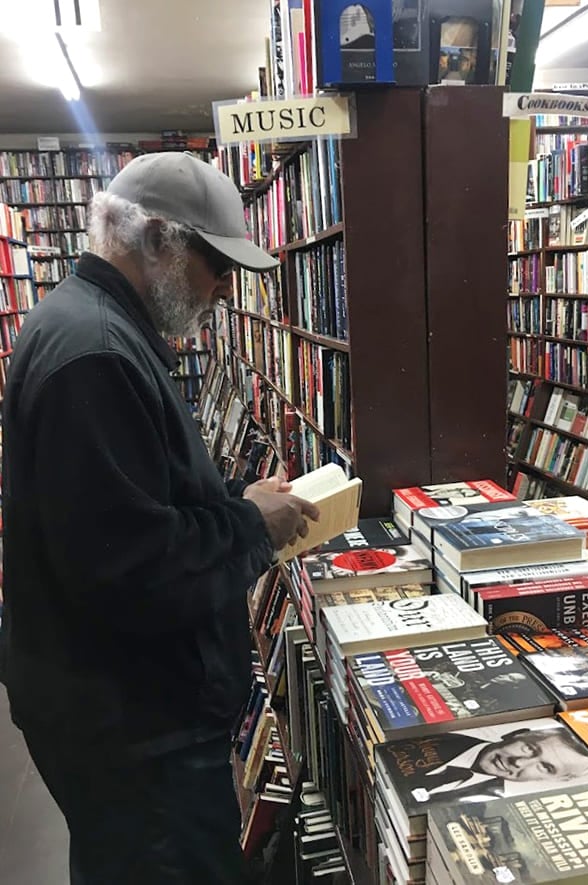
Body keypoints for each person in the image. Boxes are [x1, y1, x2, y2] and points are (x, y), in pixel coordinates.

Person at [0, 151, 320, 885]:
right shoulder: (96, 354)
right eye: (216, 264)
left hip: (121, 719)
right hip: (135, 733)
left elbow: (132, 509)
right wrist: (251, 527)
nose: (223, 288)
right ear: (156, 241)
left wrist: (236, 500)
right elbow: (132, 570)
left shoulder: (94, 326)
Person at [409, 725, 588, 804]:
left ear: (559, 779)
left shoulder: (496, 803)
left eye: (545, 767)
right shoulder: (431, 735)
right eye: (529, 748)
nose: (518, 762)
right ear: (518, 733)